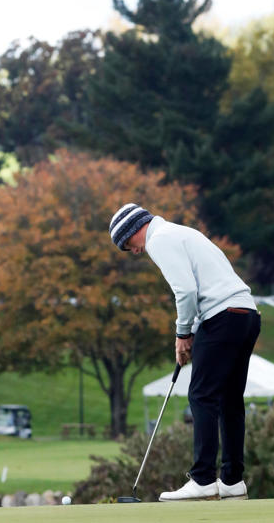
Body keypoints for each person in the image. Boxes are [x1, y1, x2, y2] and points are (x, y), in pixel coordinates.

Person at [109, 203, 261, 501]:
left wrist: (182, 333)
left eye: (128, 244)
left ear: (134, 230)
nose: (134, 251)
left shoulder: (159, 239)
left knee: (201, 395)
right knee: (230, 400)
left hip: (220, 316)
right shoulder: (182, 232)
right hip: (246, 315)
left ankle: (203, 479)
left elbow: (186, 291)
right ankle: (232, 480)